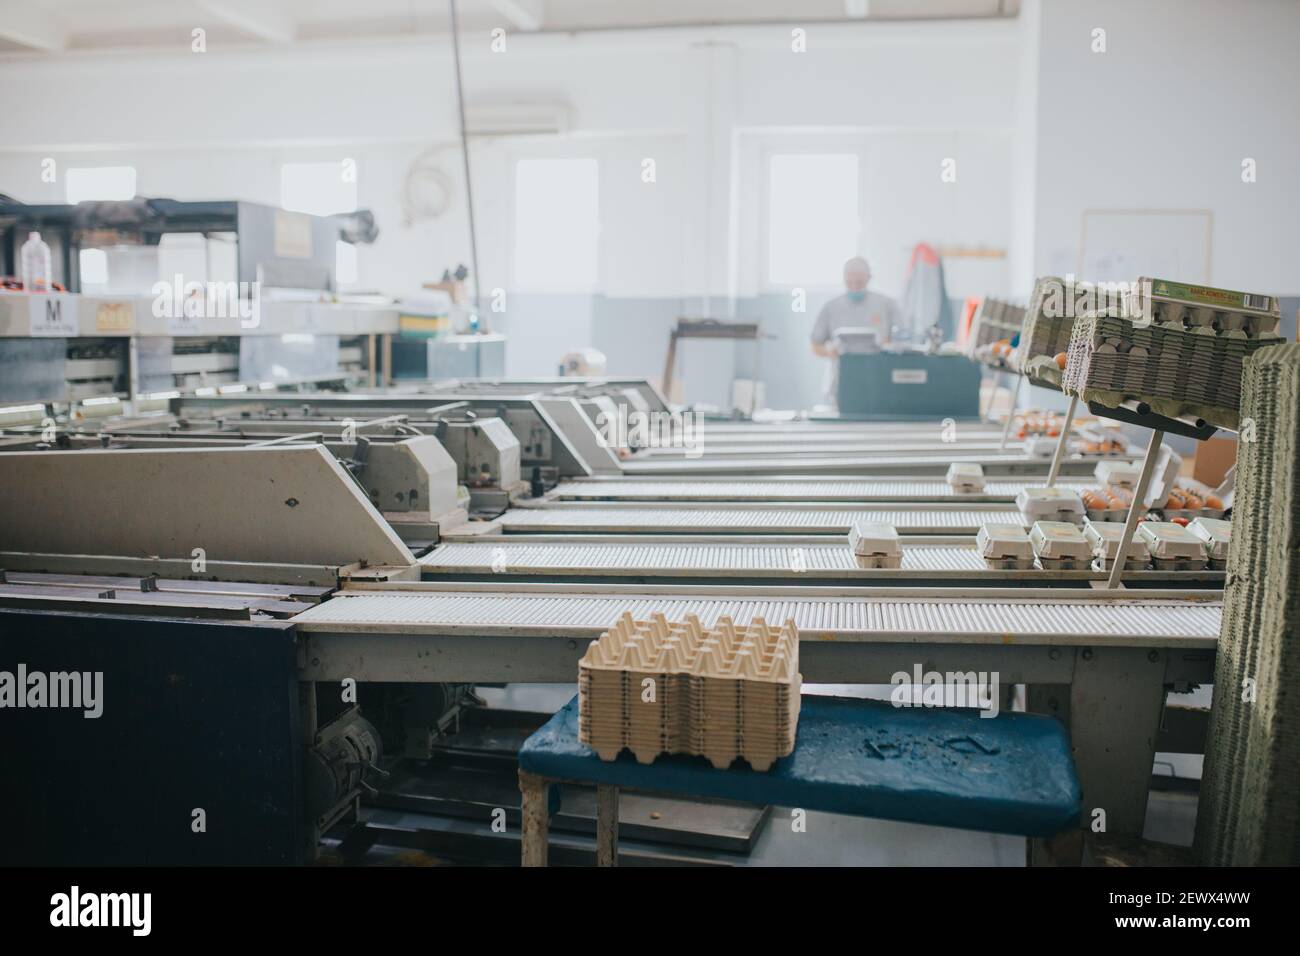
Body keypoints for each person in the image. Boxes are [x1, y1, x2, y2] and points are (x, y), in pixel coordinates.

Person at [810, 257, 902, 407]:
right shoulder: (831, 307)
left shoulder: (887, 304)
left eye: (859, 281)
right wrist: (830, 351)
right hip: (840, 379)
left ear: (869, 278)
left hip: (878, 378)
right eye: (850, 280)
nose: (854, 285)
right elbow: (815, 345)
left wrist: (888, 345)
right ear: (844, 278)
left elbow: (902, 341)